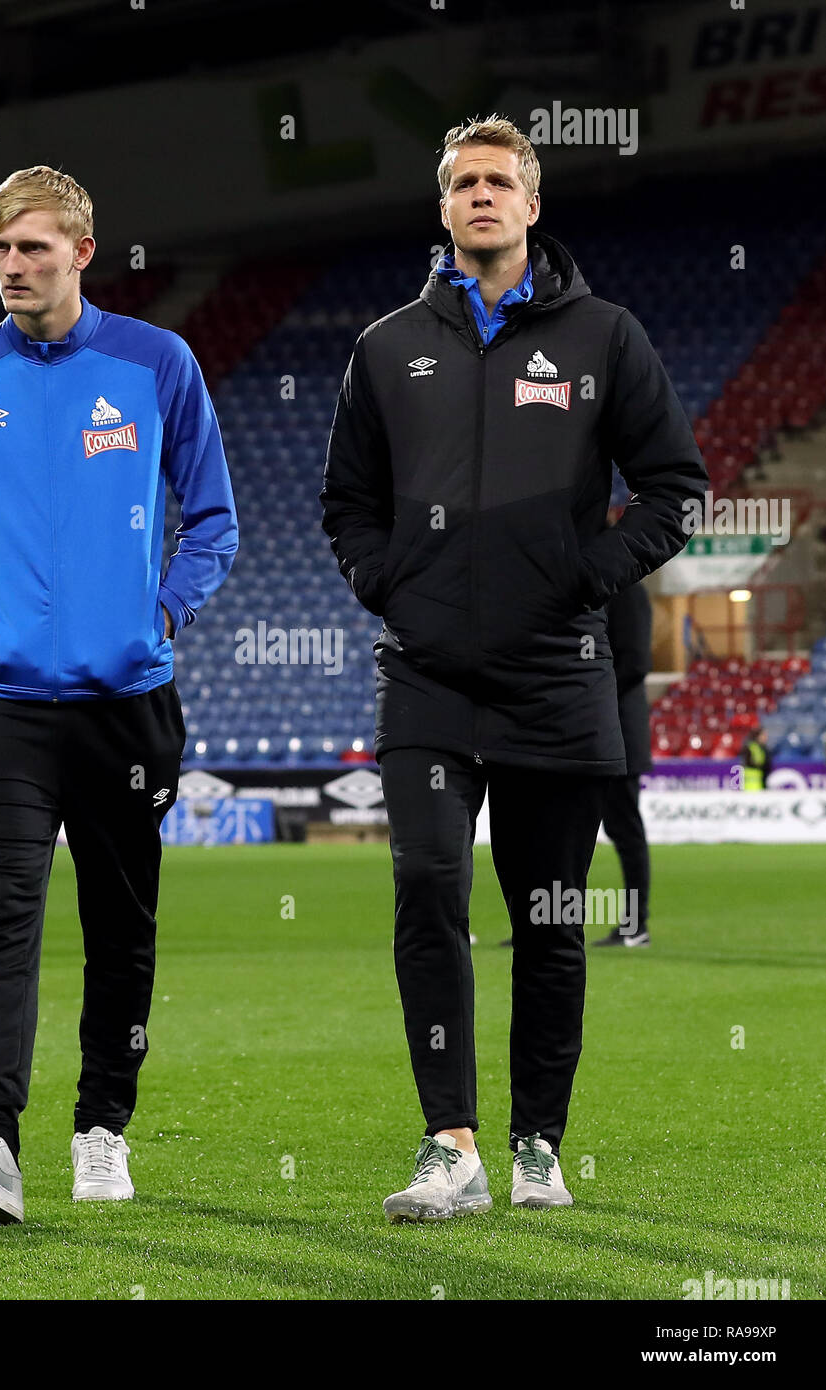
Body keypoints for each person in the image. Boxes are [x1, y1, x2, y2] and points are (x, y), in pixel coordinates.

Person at [320, 115, 707, 1221]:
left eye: (499, 181)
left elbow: (675, 486)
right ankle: (450, 1144)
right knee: (425, 887)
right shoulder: (386, 346)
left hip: (554, 675)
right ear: (443, 208)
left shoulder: (603, 336)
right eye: (463, 183)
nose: (481, 195)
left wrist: (590, 574)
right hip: (427, 675)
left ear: (531, 205)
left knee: (547, 919)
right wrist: (387, 583)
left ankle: (538, 1143)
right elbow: (345, 501)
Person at [0, 166, 238, 1225]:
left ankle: (101, 1127)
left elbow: (213, 520)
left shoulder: (156, 362)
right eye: (0, 248)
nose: (12, 266)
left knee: (119, 928)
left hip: (125, 703)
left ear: (82, 253)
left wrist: (162, 616)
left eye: (34, 248)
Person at [593, 512, 653, 948]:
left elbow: (634, 663)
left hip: (618, 732)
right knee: (556, 829)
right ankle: (542, 925)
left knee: (624, 828)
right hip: (591, 728)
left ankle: (636, 924)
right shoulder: (599, 581)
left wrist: (585, 692)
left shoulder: (626, 586)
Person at [742, 726, 772, 791]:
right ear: (758, 736)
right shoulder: (753, 747)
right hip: (754, 781)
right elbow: (756, 762)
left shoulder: (763, 747)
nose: (766, 737)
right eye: (764, 735)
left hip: (761, 779)